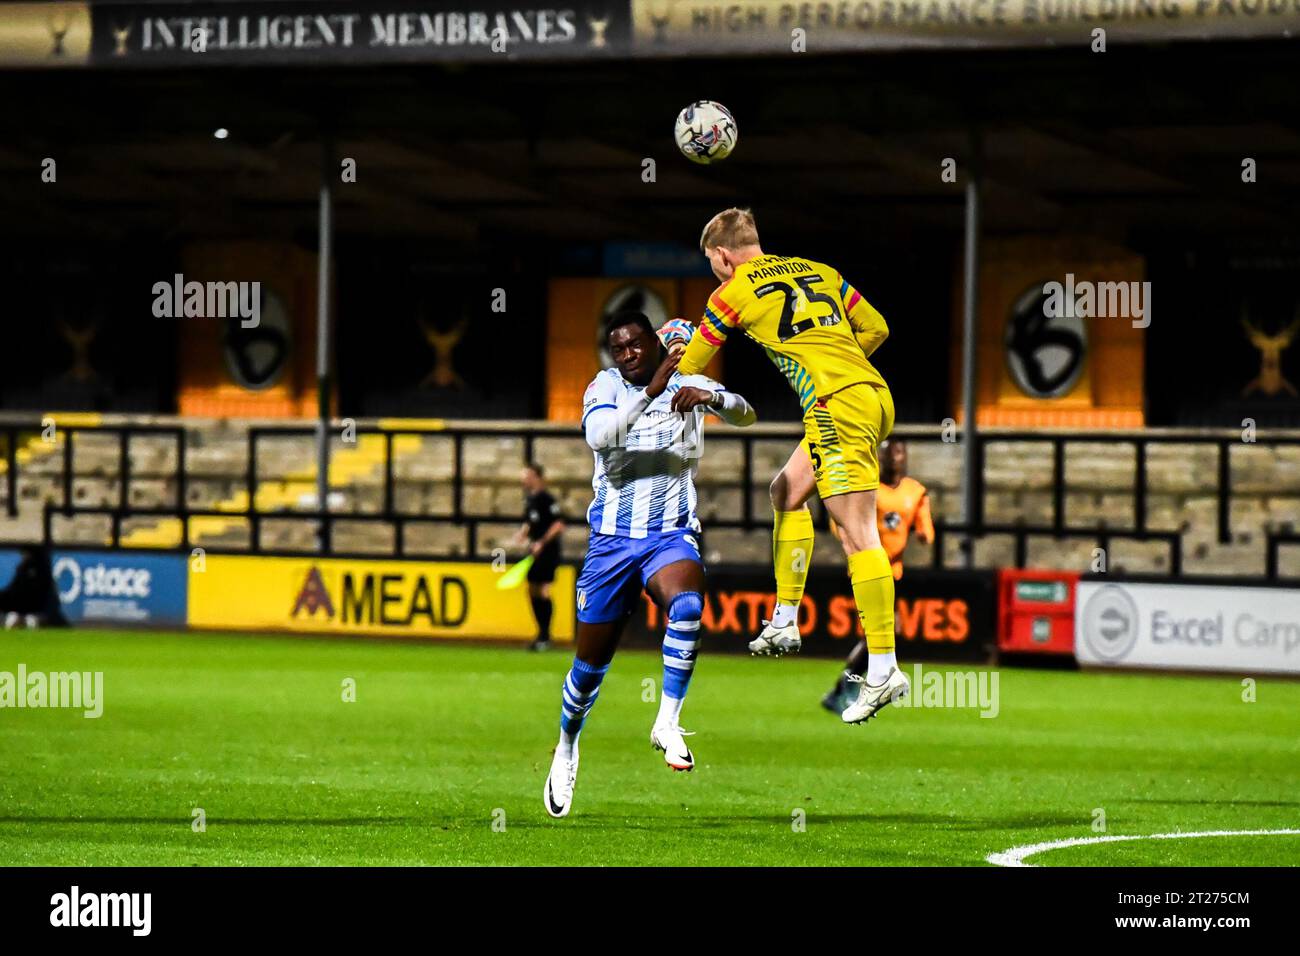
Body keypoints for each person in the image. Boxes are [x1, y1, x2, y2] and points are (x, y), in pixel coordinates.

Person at [675, 207, 907, 725]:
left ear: (722, 255)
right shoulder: (818, 270)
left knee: (857, 535)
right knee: (787, 491)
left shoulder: (730, 294)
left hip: (836, 404)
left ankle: (884, 668)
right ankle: (785, 617)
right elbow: (877, 327)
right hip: (868, 396)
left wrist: (669, 357)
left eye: (711, 262)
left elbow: (691, 364)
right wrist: (841, 362)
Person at [544, 311, 756, 818]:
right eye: (619, 349)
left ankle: (666, 720)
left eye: (636, 345)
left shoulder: (689, 383)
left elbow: (747, 413)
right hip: (612, 542)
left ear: (656, 344)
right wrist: (649, 394)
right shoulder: (606, 387)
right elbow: (600, 436)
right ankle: (567, 745)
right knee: (588, 670)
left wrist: (713, 398)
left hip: (670, 534)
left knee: (687, 607)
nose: (628, 355)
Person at [821, 439, 934, 713]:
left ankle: (844, 689)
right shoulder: (866, 488)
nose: (892, 458)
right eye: (886, 453)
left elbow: (926, 530)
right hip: (867, 568)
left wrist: (923, 532)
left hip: (894, 572)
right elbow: (838, 521)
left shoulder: (915, 491)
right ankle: (847, 690)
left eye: (897, 452)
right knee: (883, 633)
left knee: (879, 635)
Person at [510, 463, 565, 651]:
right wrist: (521, 536)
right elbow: (530, 523)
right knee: (532, 589)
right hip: (534, 551)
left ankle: (545, 636)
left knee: (543, 590)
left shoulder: (547, 499)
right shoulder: (529, 500)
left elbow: (558, 525)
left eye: (527, 476)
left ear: (537, 477)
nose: (523, 479)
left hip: (547, 551)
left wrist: (541, 542)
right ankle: (540, 634)